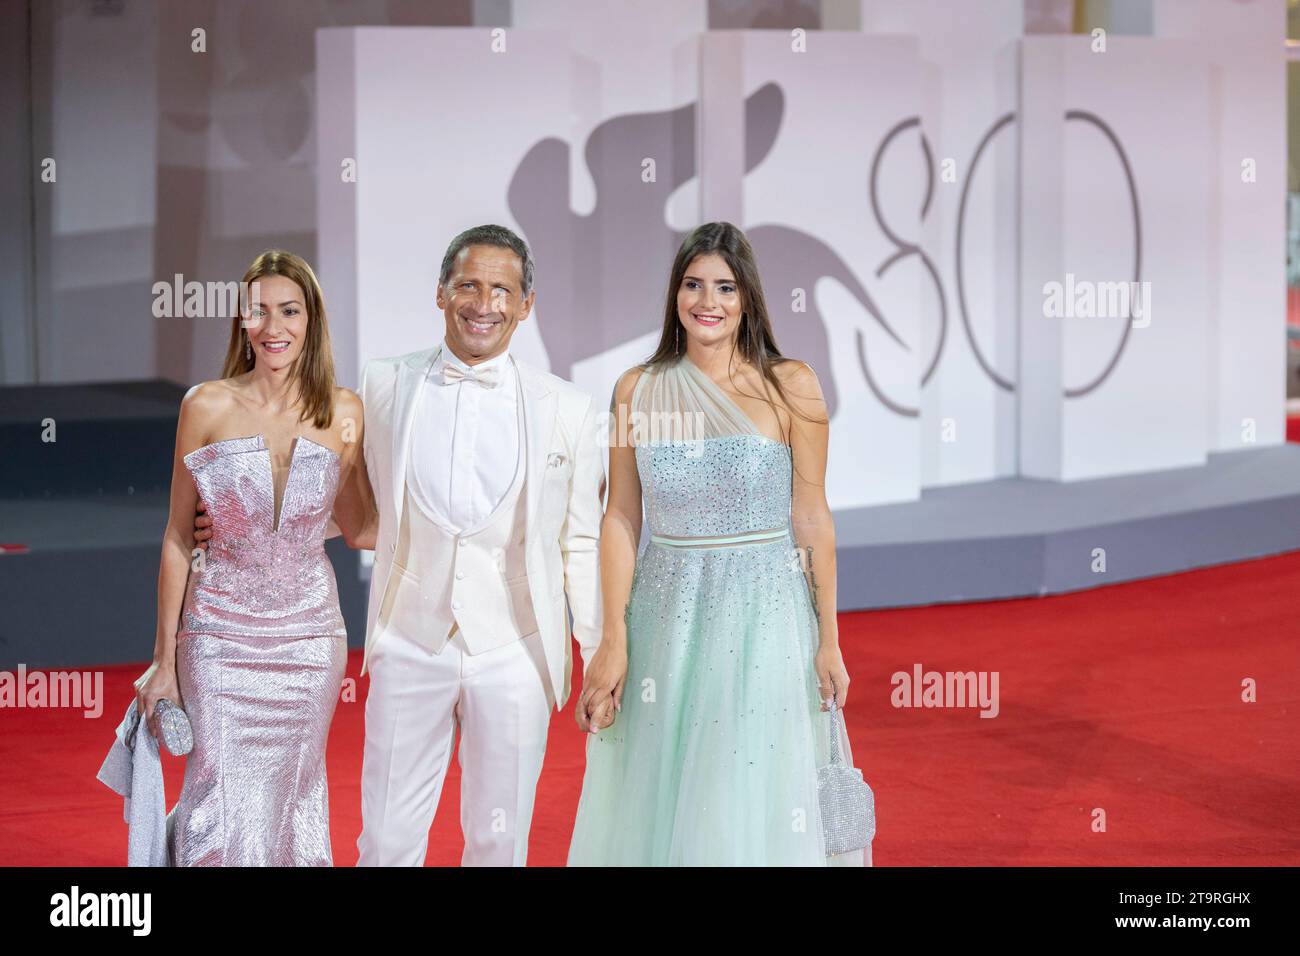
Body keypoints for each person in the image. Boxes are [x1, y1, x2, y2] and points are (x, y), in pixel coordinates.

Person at [567, 221, 867, 866]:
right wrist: (613, 639)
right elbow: (621, 516)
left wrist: (829, 639)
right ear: (675, 295)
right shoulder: (637, 388)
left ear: (748, 298)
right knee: (667, 791)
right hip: (666, 617)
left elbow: (812, 516)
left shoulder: (792, 386)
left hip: (766, 618)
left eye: (726, 288)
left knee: (749, 783)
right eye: (693, 285)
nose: (709, 301)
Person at [337, 224, 603, 866]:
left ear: (526, 304)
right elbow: (347, 491)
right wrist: (242, 519)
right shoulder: (383, 383)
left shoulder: (569, 407)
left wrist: (597, 652)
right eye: (469, 286)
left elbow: (582, 543)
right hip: (408, 639)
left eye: (502, 290)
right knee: (387, 838)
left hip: (515, 648)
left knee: (496, 841)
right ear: (440, 293)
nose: (484, 304)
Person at [135, 250, 374, 866]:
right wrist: (164, 661)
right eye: (258, 312)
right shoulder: (205, 405)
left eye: (289, 311)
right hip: (218, 633)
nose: (274, 327)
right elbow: (177, 536)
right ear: (240, 323)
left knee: (294, 795)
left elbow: (360, 527)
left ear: (311, 320)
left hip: (308, 638)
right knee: (217, 791)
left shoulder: (344, 412)